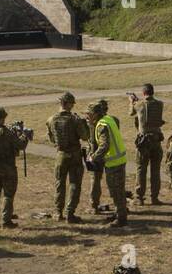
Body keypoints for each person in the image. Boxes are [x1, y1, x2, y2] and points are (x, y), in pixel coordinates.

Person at [0, 107, 30, 228]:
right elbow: (20, 145)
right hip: (8, 167)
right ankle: (6, 220)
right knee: (8, 194)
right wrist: (24, 135)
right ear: (2, 118)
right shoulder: (7, 133)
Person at [47, 92, 89, 223]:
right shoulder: (75, 119)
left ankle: (58, 212)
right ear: (69, 104)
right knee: (75, 184)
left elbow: (52, 139)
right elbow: (85, 136)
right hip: (74, 154)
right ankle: (70, 213)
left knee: (59, 184)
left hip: (61, 154)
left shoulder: (51, 119)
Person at [86, 101, 129, 227]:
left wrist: (93, 157)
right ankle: (119, 213)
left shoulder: (101, 125)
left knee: (116, 191)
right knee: (119, 190)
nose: (87, 116)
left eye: (89, 114)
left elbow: (104, 145)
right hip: (119, 160)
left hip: (113, 162)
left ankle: (121, 218)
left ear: (94, 114)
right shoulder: (108, 119)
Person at [128, 83, 165, 205]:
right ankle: (155, 197)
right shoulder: (160, 104)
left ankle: (139, 198)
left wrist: (131, 102)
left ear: (143, 93)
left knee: (141, 169)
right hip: (156, 140)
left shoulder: (139, 104)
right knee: (155, 170)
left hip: (144, 142)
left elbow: (131, 113)